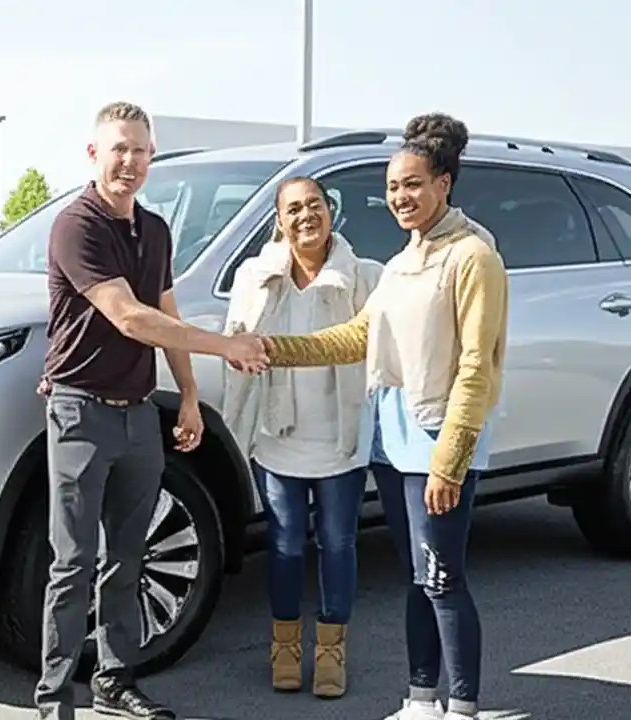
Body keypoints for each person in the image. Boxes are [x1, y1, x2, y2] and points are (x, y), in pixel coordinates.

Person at [258, 112, 509, 720]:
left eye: (414, 184)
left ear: (444, 182)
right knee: (418, 580)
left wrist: (450, 461)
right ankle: (422, 699)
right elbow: (353, 338)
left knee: (443, 579)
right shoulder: (401, 264)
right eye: (394, 187)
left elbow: (477, 365)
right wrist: (271, 349)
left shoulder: (472, 257)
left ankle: (464, 707)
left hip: (436, 442)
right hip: (392, 445)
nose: (401, 197)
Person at [36, 100, 269, 720]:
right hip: (80, 413)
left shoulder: (155, 229)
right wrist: (228, 347)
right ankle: (55, 698)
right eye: (119, 149)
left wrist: (190, 396)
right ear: (94, 153)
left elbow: (167, 315)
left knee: (127, 558)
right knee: (72, 563)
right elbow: (129, 316)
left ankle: (114, 681)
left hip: (139, 416)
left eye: (141, 150)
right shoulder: (76, 225)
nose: (131, 162)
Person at [220, 176, 382, 698]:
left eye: (314, 205)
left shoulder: (364, 276)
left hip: (339, 438)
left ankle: (332, 649)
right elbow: (235, 345)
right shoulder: (256, 276)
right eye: (293, 209)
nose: (305, 215)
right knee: (286, 544)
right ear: (279, 220)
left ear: (330, 213)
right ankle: (285, 644)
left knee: (338, 542)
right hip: (278, 435)